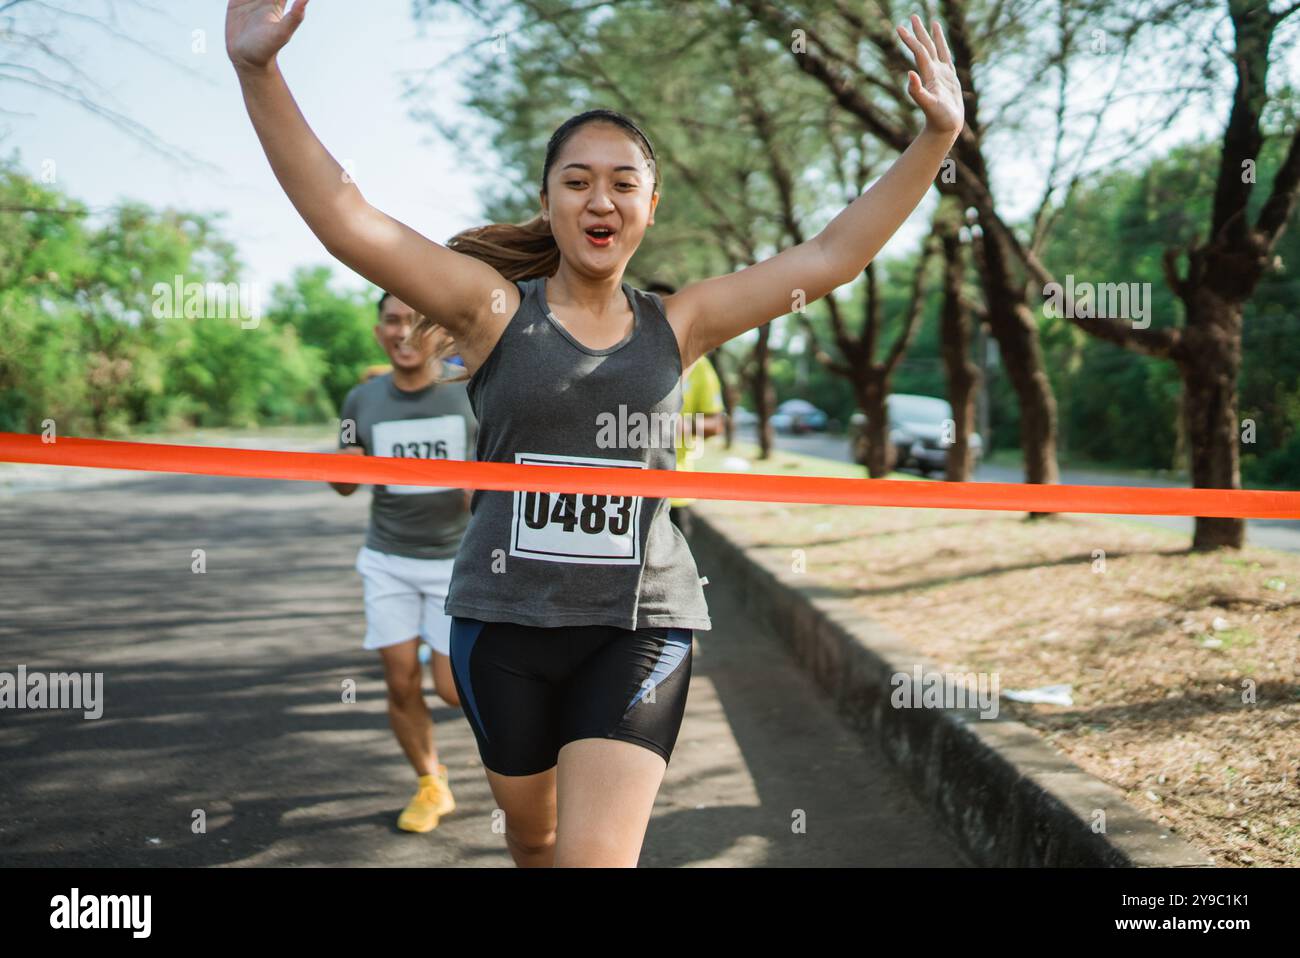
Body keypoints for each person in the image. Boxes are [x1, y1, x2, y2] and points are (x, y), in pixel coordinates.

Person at [227, 1, 964, 866]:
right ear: (547, 202)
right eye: (577, 180)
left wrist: (934, 138)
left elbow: (833, 255)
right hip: (502, 626)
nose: (600, 197)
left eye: (622, 181)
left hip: (640, 625)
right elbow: (346, 216)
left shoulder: (681, 322)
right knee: (534, 845)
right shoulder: (492, 310)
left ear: (650, 204)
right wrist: (257, 71)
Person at [329, 290, 477, 833]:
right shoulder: (361, 401)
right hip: (387, 558)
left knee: (451, 688)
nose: (405, 332)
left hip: (456, 563)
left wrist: (474, 491)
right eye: (393, 321)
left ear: (441, 333)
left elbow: (496, 486)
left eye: (417, 320)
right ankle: (430, 782)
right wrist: (342, 468)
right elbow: (344, 483)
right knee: (399, 682)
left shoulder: (467, 398)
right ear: (378, 332)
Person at [645, 281, 725, 541]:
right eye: (653, 309)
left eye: (668, 310)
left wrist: (684, 426)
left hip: (676, 493)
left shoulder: (699, 367)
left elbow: (717, 425)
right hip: (629, 491)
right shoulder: (619, 358)